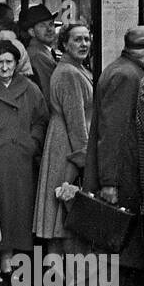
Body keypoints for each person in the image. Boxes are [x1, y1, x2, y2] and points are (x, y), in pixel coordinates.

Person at [82, 25, 144, 286]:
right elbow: (113, 133)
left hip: (125, 170)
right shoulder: (128, 77)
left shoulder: (121, 71)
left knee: (126, 240)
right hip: (125, 172)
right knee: (126, 241)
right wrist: (110, 181)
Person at [0, 40, 49, 286]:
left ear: (17, 63)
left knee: (15, 212)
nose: (4, 67)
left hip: (19, 159)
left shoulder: (30, 88)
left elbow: (41, 120)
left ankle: (9, 264)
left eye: (9, 62)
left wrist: (32, 143)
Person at [32, 21, 94, 266]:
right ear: (65, 44)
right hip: (66, 146)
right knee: (62, 216)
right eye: (77, 40)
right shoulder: (69, 72)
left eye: (87, 39)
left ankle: (57, 279)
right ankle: (61, 282)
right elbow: (76, 122)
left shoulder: (74, 68)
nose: (83, 44)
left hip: (63, 142)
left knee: (58, 217)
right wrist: (85, 159)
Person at [20, 4, 59, 96]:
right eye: (42, 26)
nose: (49, 29)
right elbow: (48, 93)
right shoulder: (38, 56)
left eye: (51, 24)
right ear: (32, 32)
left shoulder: (43, 52)